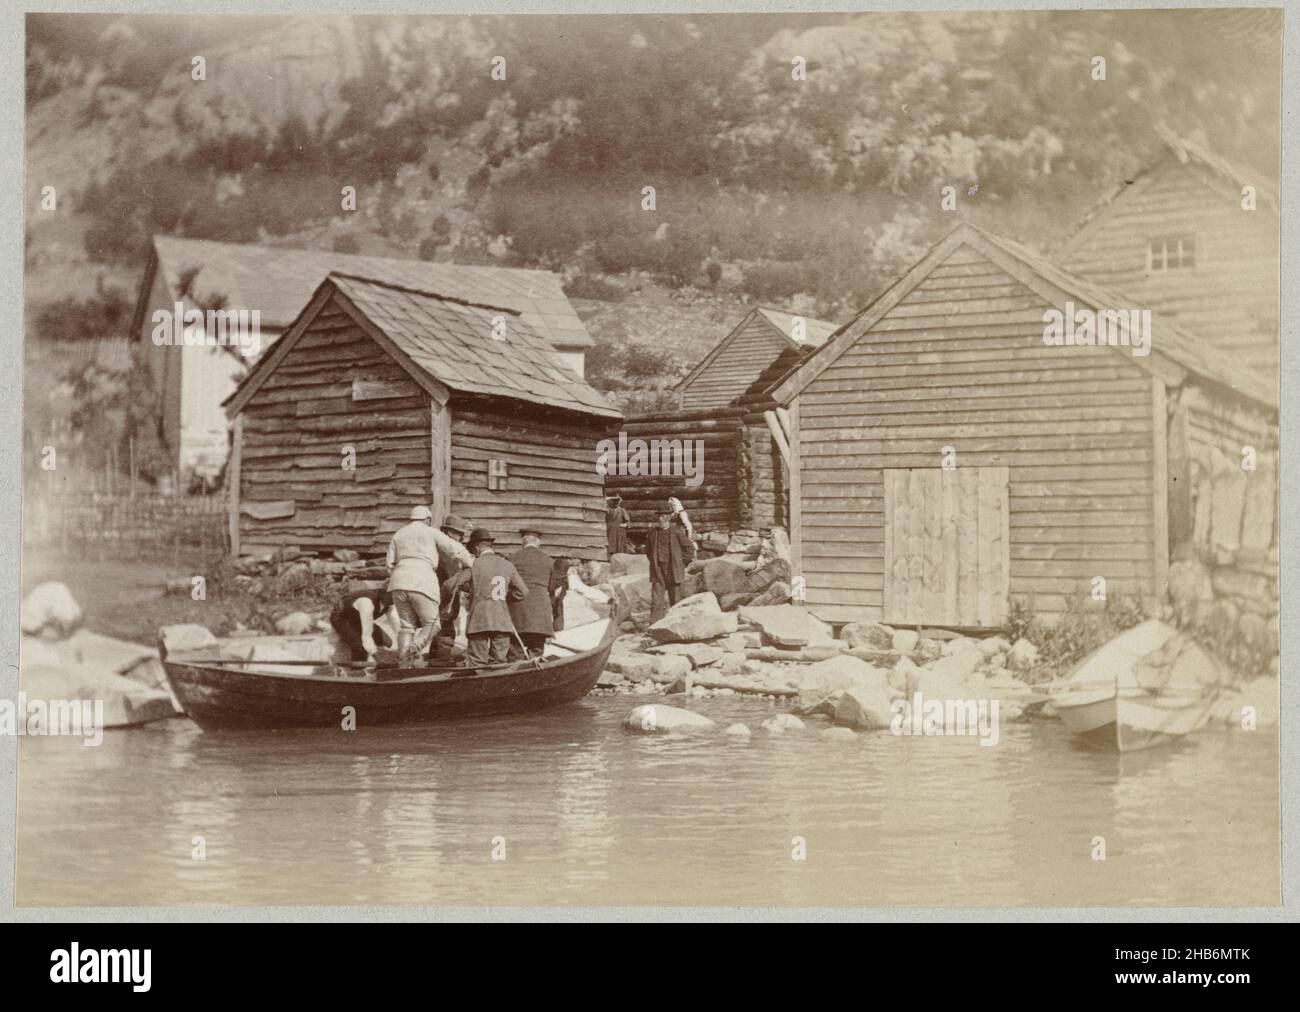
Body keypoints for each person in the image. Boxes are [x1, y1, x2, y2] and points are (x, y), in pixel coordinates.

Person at [386, 505, 474, 661]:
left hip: (398, 582)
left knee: (407, 627)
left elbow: (389, 564)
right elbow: (456, 551)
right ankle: (415, 647)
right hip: (424, 584)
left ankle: (404, 663)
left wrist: (399, 578)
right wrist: (473, 565)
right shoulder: (431, 533)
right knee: (435, 624)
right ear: (427, 519)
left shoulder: (398, 534)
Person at [457, 528, 528, 665]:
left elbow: (455, 584)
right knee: (499, 663)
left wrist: (471, 589)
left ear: (477, 548)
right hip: (501, 619)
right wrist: (503, 597)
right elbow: (523, 591)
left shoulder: (474, 564)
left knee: (477, 663)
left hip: (479, 620)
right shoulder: (507, 565)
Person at [507, 528, 561, 658]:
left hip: (517, 612)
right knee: (536, 652)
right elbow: (552, 587)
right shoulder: (549, 560)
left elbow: (506, 584)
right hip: (540, 613)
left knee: (515, 652)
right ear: (538, 542)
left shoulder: (512, 559)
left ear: (523, 542)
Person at [433, 514, 473, 660]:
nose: (461, 538)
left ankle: (435, 658)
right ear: (450, 532)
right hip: (443, 597)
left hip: (439, 594)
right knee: (444, 628)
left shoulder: (439, 548)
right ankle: (441, 661)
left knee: (439, 627)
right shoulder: (448, 552)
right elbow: (452, 580)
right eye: (460, 534)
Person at [329, 587, 397, 662]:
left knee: (387, 642)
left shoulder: (390, 603)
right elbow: (366, 635)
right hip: (342, 619)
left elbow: (398, 626)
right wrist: (377, 657)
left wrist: (407, 647)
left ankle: (381, 661)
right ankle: (357, 670)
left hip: (358, 619)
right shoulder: (366, 602)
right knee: (360, 647)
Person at [647, 511, 692, 620]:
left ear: (668, 519)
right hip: (658, 570)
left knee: (675, 599)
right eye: (659, 517)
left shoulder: (677, 532)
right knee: (656, 599)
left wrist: (682, 563)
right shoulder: (653, 534)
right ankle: (654, 626)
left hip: (673, 569)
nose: (660, 520)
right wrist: (655, 562)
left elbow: (689, 548)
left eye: (663, 517)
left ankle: (677, 622)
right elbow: (648, 551)